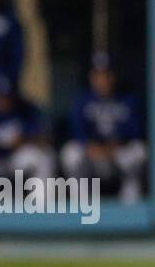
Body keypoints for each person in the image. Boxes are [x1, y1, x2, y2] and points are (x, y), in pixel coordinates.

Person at [61, 55, 148, 203]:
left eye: (107, 75)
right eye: (99, 75)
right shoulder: (82, 100)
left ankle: (130, 205)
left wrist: (111, 148)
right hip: (93, 157)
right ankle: (82, 205)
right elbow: (77, 132)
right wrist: (92, 147)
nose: (104, 80)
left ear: (115, 76)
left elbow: (135, 132)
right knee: (71, 153)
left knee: (139, 152)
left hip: (119, 155)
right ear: (92, 77)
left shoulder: (129, 99)